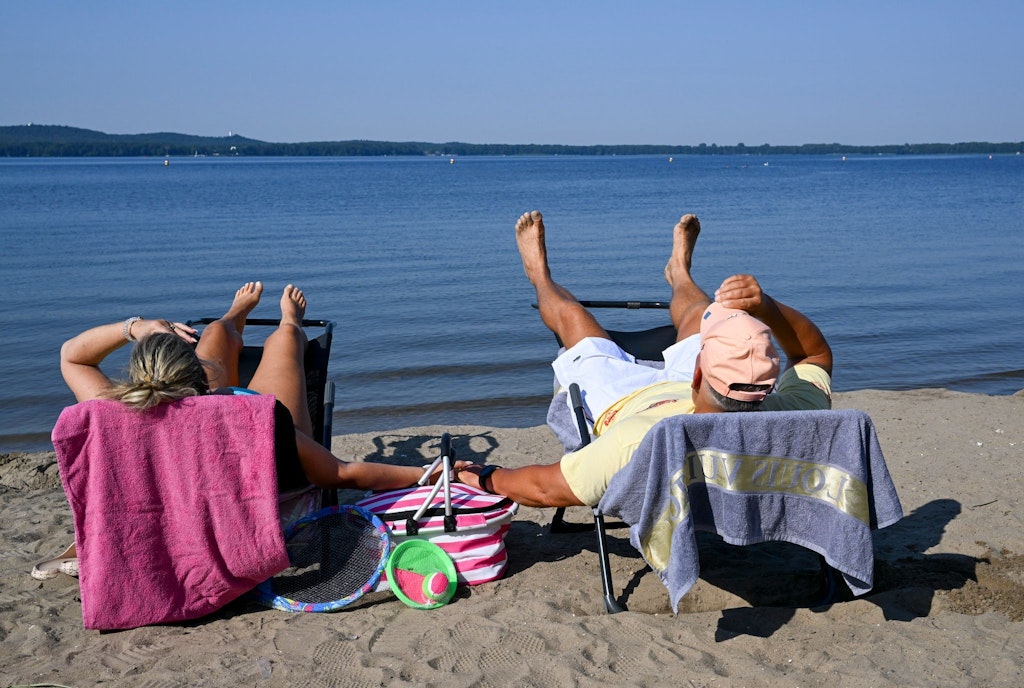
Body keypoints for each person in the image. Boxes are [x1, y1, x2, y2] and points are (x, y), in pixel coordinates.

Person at [455, 211, 833, 508]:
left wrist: (487, 475)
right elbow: (811, 353)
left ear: (699, 372)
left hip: (625, 402)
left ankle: (539, 275)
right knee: (697, 311)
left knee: (572, 318)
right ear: (767, 385)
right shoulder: (790, 416)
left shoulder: (642, 442)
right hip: (707, 402)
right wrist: (765, 305)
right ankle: (679, 272)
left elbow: (546, 489)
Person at [60, 281, 455, 493]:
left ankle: (233, 316)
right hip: (260, 454)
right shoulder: (251, 418)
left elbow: (72, 356)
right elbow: (338, 474)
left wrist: (135, 327)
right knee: (283, 344)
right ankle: (290, 322)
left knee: (215, 330)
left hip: (194, 415)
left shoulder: (109, 413)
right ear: (201, 381)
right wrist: (429, 473)